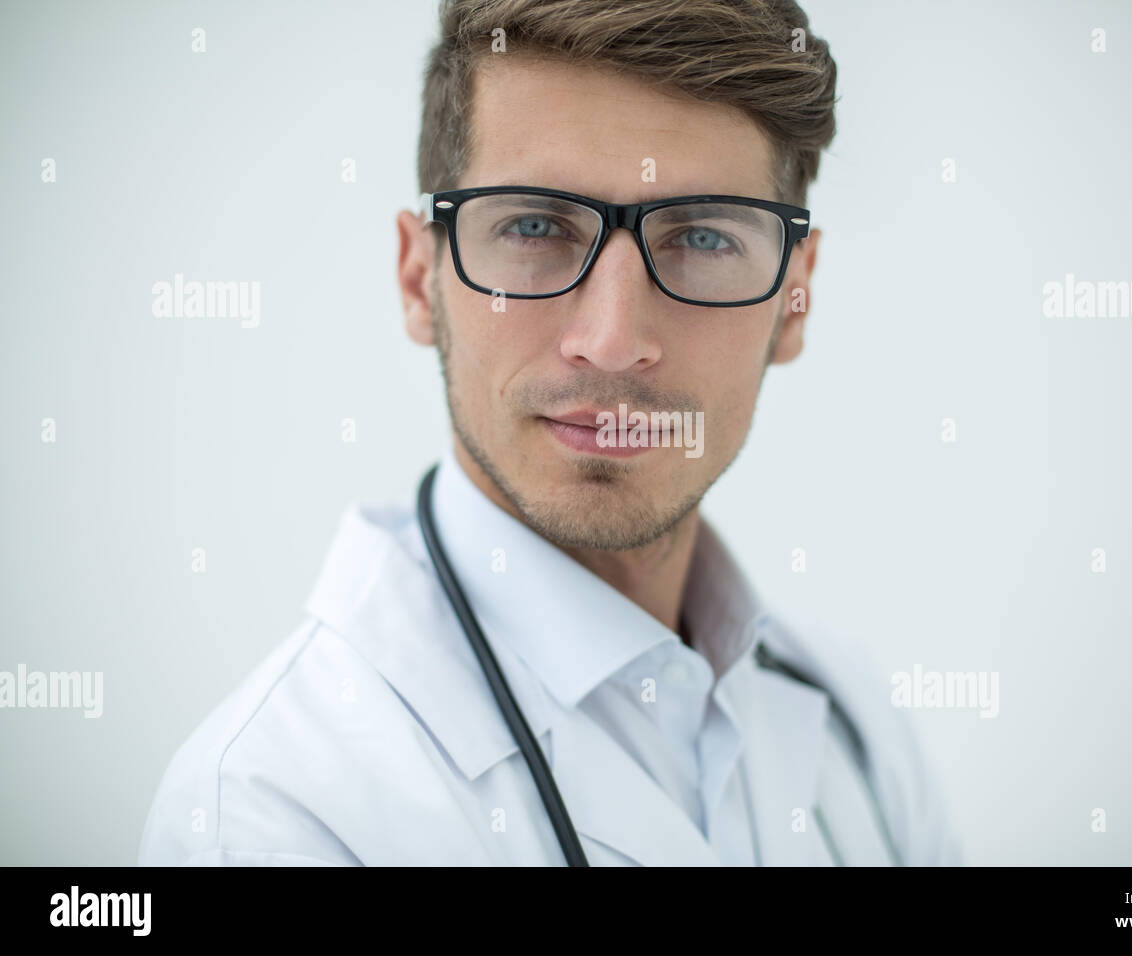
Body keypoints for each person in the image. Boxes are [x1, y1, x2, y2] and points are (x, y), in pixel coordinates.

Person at [138, 0, 963, 866]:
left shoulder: (856, 731)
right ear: (421, 280)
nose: (611, 341)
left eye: (703, 237)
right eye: (534, 226)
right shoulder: (273, 812)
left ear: (794, 300)